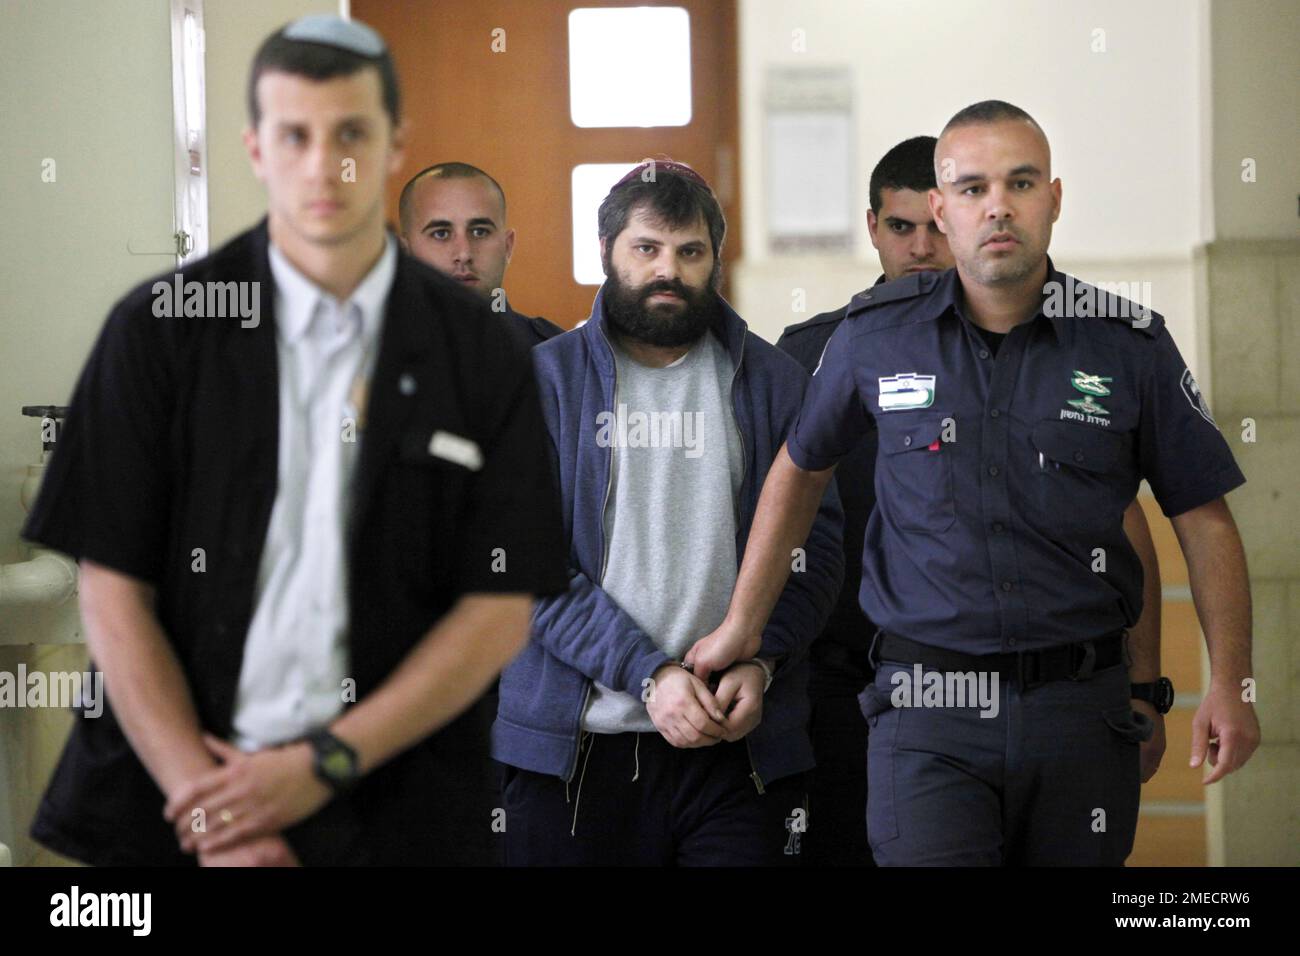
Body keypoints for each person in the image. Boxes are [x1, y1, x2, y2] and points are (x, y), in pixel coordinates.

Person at [20, 14, 566, 867]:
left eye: (351, 133)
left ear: (391, 146)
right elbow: (112, 590)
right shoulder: (159, 330)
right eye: (295, 135)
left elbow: (496, 608)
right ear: (254, 147)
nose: (323, 165)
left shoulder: (480, 351)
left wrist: (325, 763)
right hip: (172, 804)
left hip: (400, 801)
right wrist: (212, 812)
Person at [689, 101, 1259, 866]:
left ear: (1053, 200)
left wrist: (1229, 681)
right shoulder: (873, 336)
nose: (997, 206)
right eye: (971, 188)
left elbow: (1202, 518)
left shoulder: (1131, 346)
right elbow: (799, 469)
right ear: (941, 208)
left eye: (1020, 183)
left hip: (1080, 713)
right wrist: (741, 628)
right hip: (929, 715)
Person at [778, 135, 1166, 865]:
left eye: (934, 228)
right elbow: (773, 512)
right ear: (876, 229)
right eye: (901, 229)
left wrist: (1147, 683)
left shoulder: (1058, 343)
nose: (922, 249)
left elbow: (1121, 522)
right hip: (845, 682)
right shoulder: (819, 354)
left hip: (1026, 686)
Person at [492, 160, 844, 865]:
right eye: (646, 249)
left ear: (716, 260)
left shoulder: (776, 383)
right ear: (606, 253)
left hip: (737, 752)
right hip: (572, 755)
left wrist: (765, 659)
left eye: (690, 253)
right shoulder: (544, 383)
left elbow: (816, 549)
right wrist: (647, 674)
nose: (668, 271)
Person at [398, 162, 563, 345]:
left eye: (479, 232)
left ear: (507, 247)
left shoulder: (559, 358)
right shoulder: (369, 357)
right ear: (404, 253)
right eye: (441, 234)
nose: (464, 253)